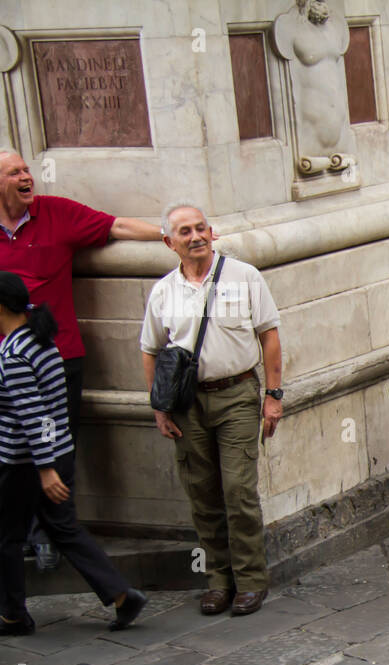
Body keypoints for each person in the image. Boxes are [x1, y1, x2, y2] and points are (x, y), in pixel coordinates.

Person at [0, 150, 163, 568]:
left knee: (55, 445)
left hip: (57, 359)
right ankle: (17, 535)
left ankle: (51, 534)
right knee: (10, 453)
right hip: (5, 363)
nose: (26, 176)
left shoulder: (56, 213)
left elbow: (118, 225)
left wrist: (170, 233)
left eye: (26, 169)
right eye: (14, 172)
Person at [141, 203, 283, 616]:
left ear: (212, 232)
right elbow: (150, 349)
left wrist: (273, 395)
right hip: (187, 402)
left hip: (237, 394)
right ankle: (218, 581)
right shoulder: (164, 290)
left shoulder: (244, 276)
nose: (195, 236)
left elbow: (269, 336)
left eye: (200, 228)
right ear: (170, 242)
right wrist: (159, 406)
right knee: (202, 493)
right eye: (184, 231)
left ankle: (252, 581)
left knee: (238, 490)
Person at [0, 272, 147, 635]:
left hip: (24, 462)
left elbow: (32, 414)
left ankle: (13, 614)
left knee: (6, 536)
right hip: (57, 450)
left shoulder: (14, 353)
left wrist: (44, 469)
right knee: (63, 528)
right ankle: (120, 595)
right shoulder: (41, 339)